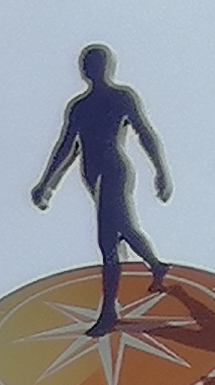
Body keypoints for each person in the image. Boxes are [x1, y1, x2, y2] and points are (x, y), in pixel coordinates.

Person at [33, 43, 178, 335]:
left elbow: (144, 133)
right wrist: (47, 182)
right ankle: (156, 265)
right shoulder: (79, 106)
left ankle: (109, 311)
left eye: (93, 63)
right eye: (84, 64)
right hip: (92, 174)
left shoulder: (120, 97)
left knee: (108, 240)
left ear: (105, 67)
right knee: (121, 227)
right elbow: (67, 147)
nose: (88, 69)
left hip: (112, 170)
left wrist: (160, 171)